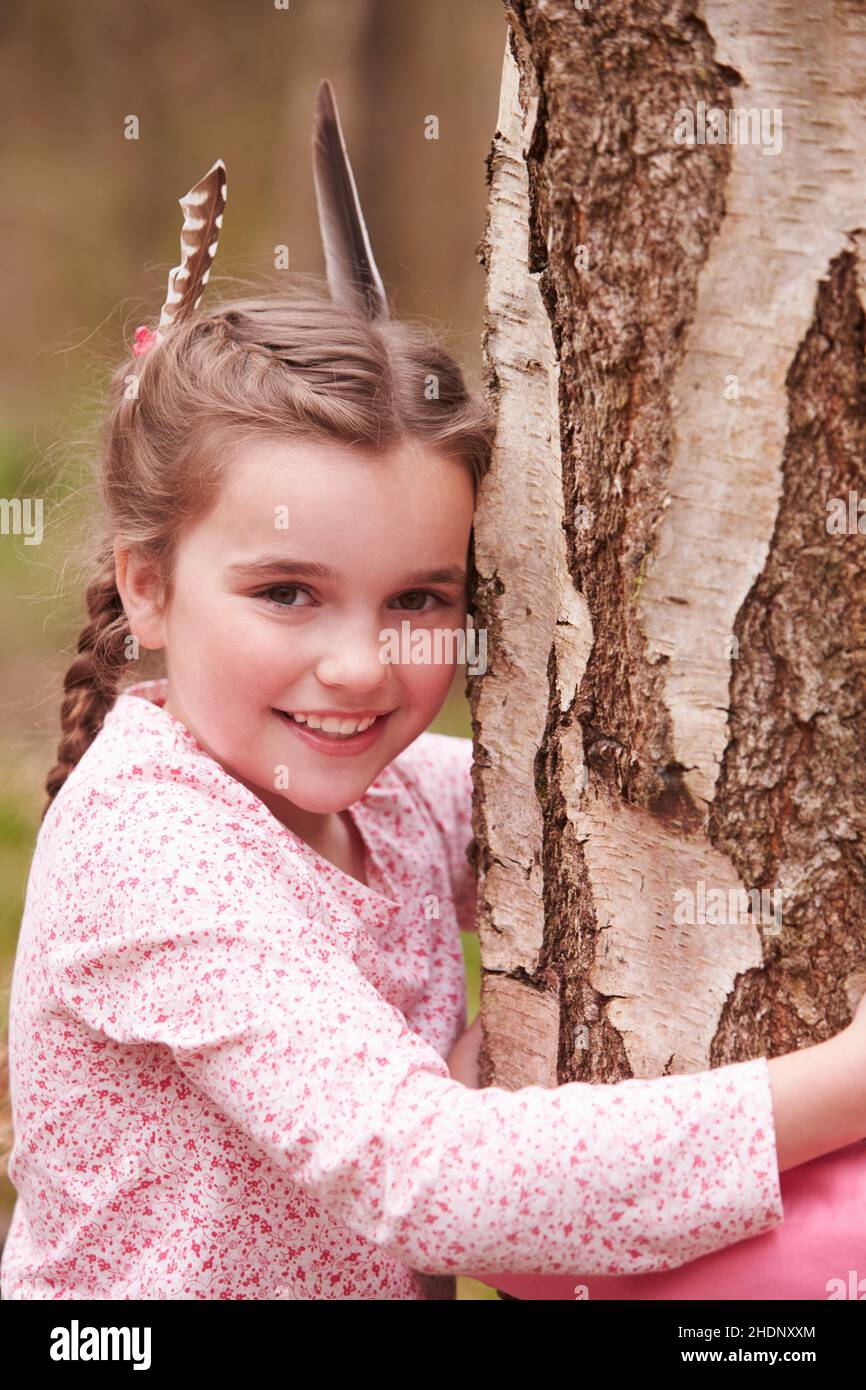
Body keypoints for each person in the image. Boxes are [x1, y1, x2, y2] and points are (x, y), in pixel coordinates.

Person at [2, 81, 865, 1302]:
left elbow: (628, 827)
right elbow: (428, 1177)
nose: (359, 665)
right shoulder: (150, 843)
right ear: (148, 588)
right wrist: (845, 1083)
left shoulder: (396, 797)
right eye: (288, 593)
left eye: (417, 600)